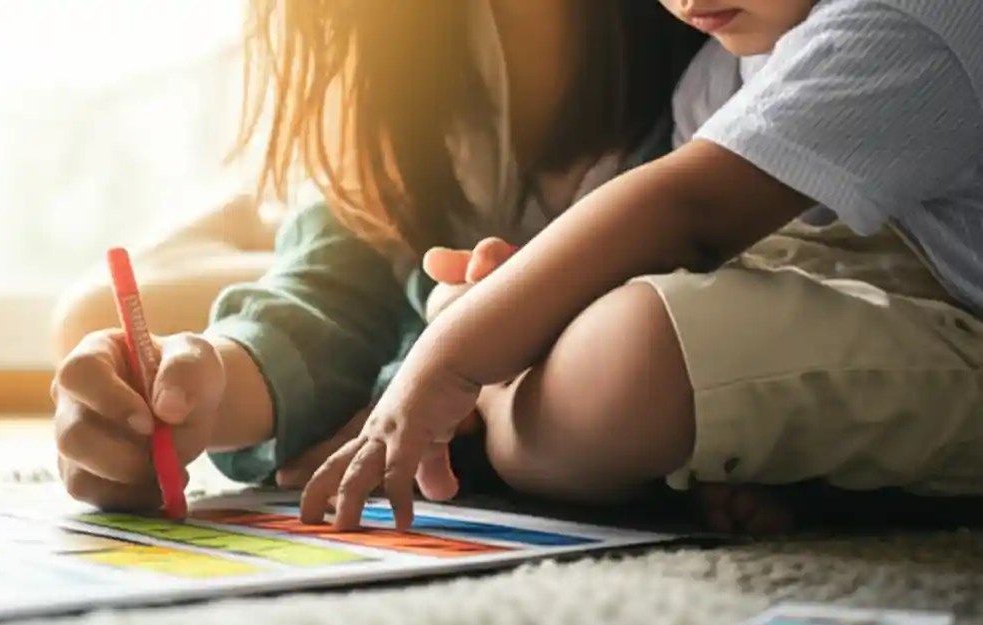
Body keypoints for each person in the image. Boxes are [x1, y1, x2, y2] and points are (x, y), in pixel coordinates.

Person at [303, 0, 983, 533]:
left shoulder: (913, 18)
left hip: (964, 323)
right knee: (564, 314)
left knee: (618, 365)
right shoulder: (717, 72)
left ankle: (494, 402)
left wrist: (449, 360)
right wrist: (523, 295)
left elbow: (689, 218)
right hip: (885, 297)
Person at [50, 1, 707, 512]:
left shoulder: (723, 37)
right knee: (91, 323)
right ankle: (254, 219)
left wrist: (426, 384)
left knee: (586, 395)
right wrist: (198, 391)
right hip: (387, 255)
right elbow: (334, 292)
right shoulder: (386, 40)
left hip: (491, 312)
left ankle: (259, 221)